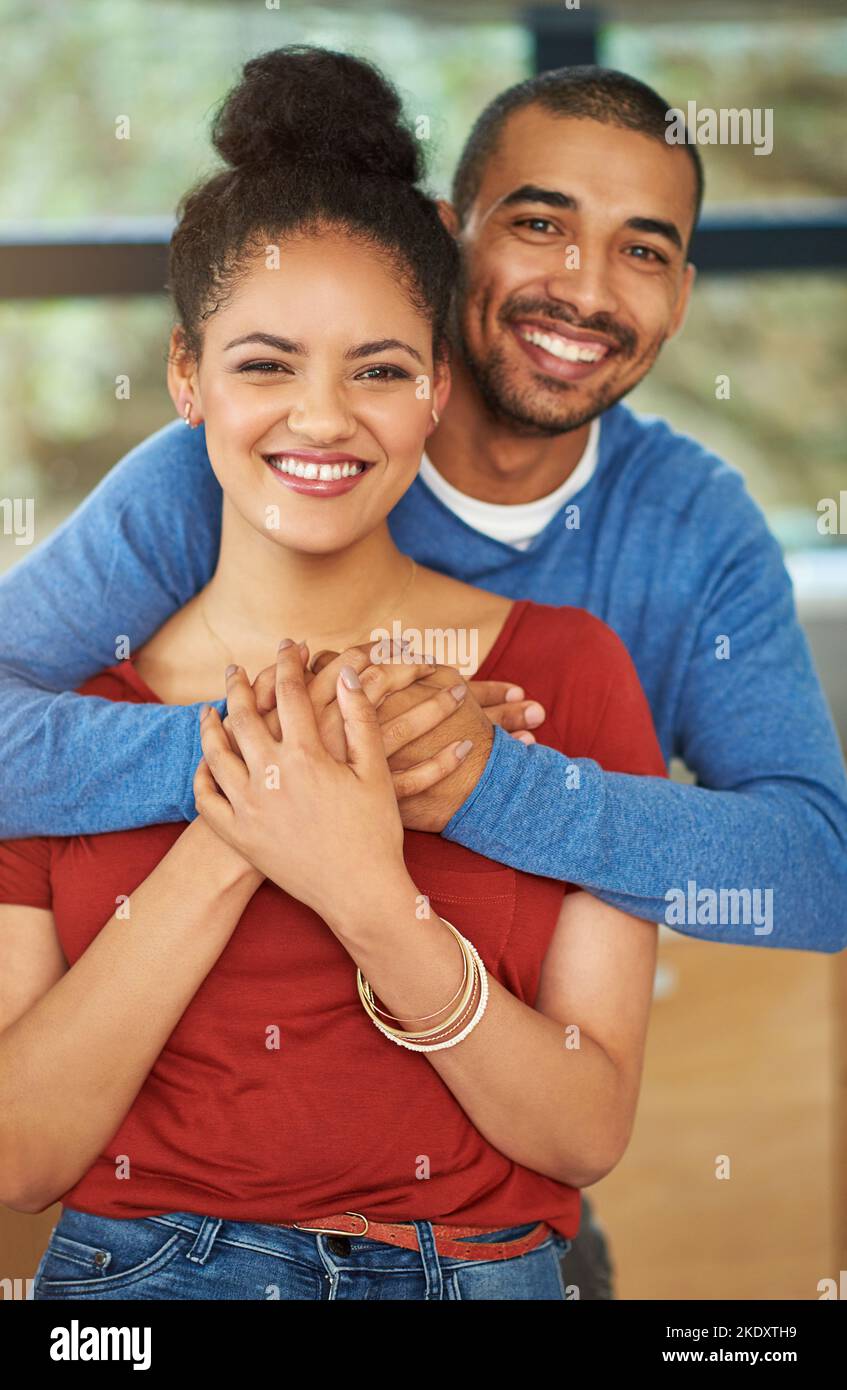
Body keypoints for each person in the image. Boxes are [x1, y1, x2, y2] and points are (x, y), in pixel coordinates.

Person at [1, 56, 844, 1297]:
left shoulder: (684, 535)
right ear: (455, 238)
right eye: (542, 222)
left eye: (643, 250)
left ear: (680, 296)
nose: (582, 286)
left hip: (491, 1222)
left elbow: (811, 870)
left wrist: (484, 784)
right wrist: (281, 757)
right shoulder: (216, 478)